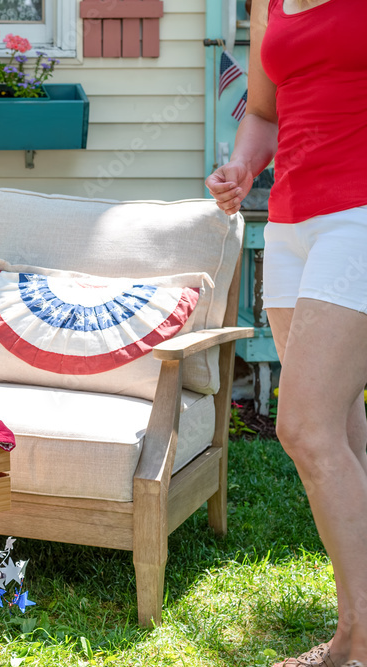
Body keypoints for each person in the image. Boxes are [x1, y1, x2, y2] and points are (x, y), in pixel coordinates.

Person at [206, 1, 367, 666]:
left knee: (304, 428)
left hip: (357, 218)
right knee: (343, 432)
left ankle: (357, 645)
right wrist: (243, 166)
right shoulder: (271, 6)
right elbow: (266, 114)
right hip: (295, 222)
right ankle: (352, 627)